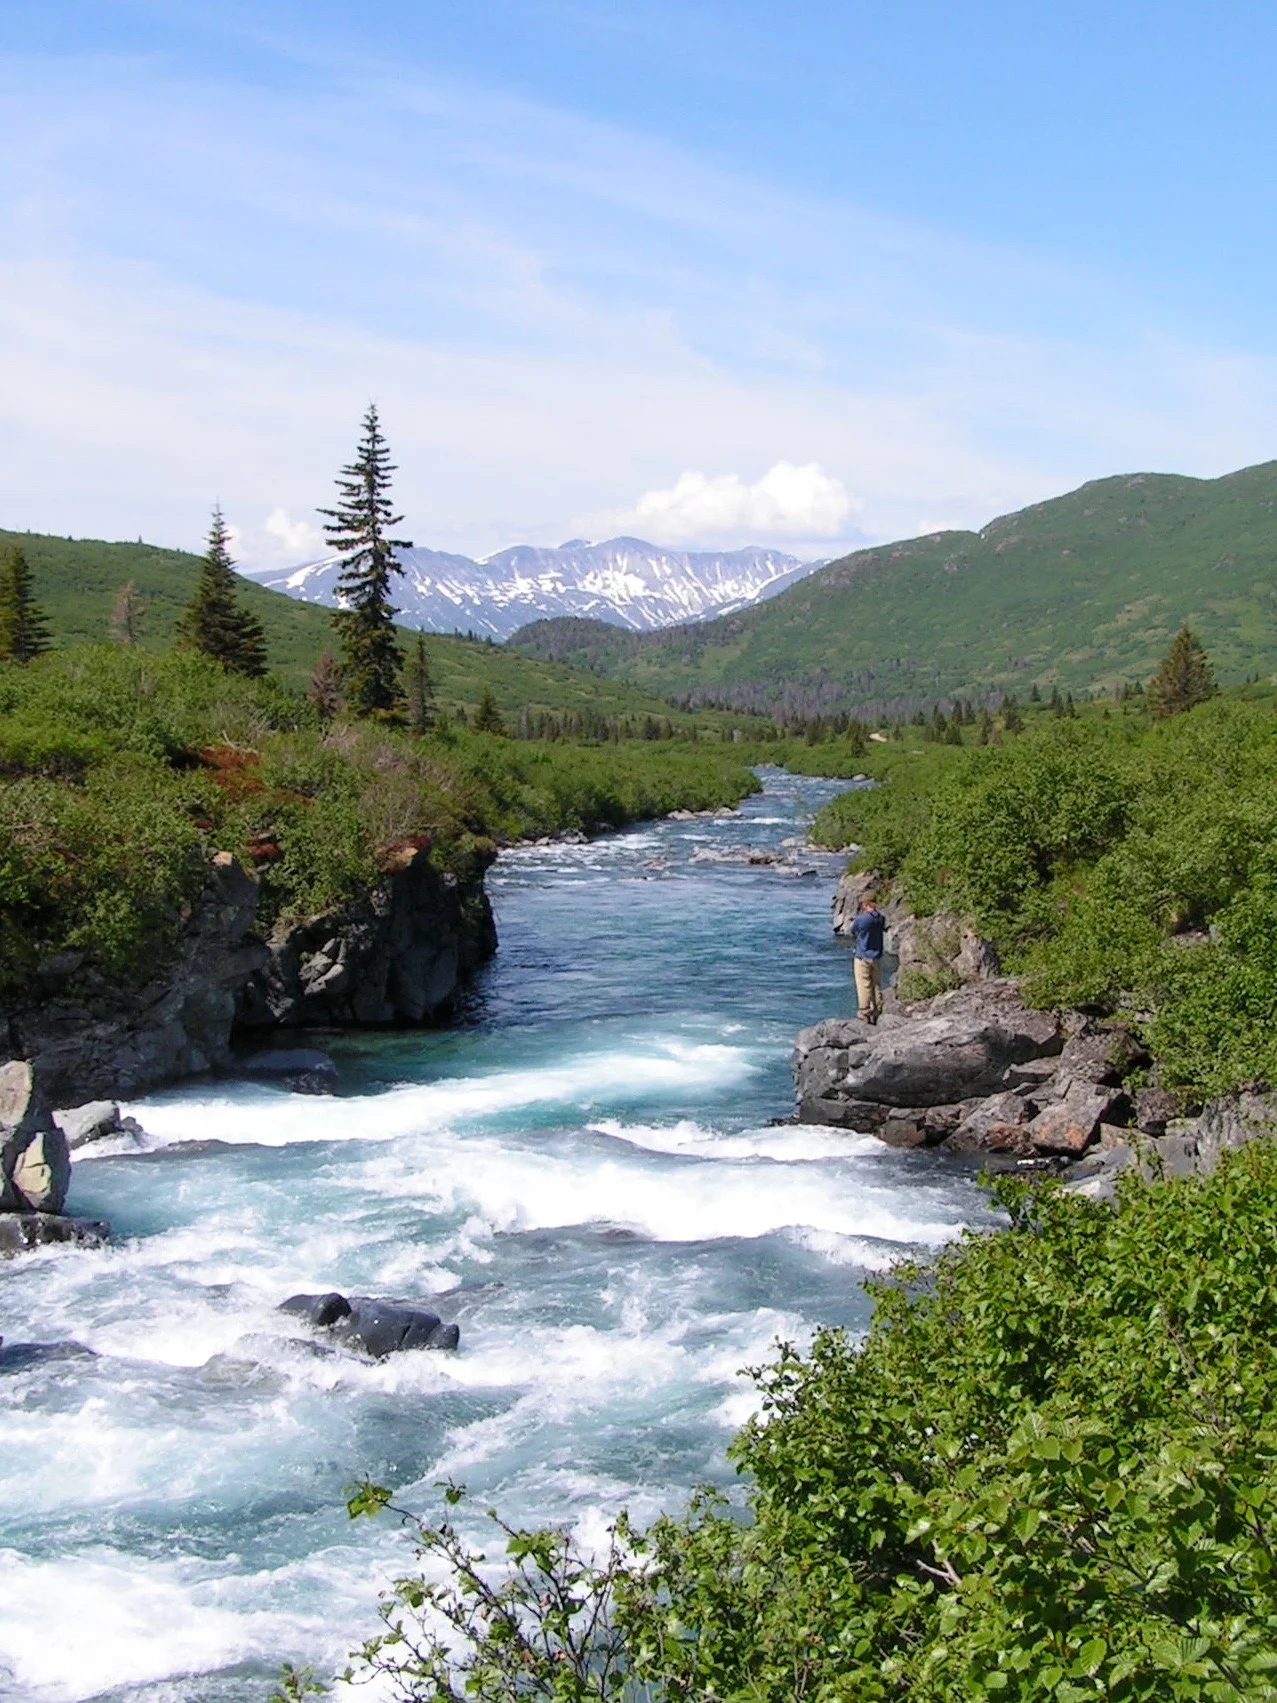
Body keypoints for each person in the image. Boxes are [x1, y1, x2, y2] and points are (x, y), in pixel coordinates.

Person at [849, 892, 886, 1024]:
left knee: (863, 984)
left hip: (862, 955)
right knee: (876, 984)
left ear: (865, 904)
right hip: (876, 956)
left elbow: (853, 931)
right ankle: (877, 1010)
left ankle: (864, 1012)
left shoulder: (862, 919)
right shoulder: (881, 918)